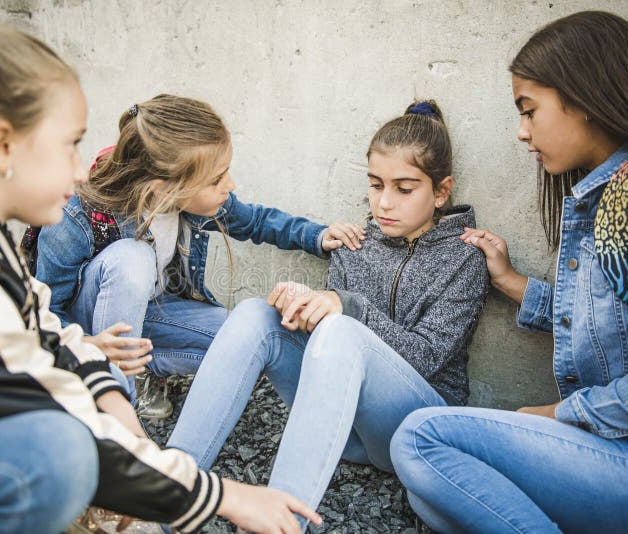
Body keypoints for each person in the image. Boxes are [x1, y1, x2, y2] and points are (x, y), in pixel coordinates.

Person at [0, 20, 321, 533]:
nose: (81, 168)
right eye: (70, 145)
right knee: (60, 454)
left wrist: (116, 409)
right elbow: (46, 384)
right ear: (2, 146)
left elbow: (47, 330)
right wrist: (222, 495)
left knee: (246, 329)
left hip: (140, 334)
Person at [390, 11, 628, 533]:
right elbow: (616, 324)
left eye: (529, 110)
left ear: (585, 98)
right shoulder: (611, 191)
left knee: (420, 439)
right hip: (624, 450)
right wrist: (512, 283)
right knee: (437, 499)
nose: (521, 133)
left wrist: (556, 415)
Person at [168, 99, 489, 529]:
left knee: (341, 331)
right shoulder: (356, 242)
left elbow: (429, 355)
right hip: (346, 431)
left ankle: (281, 524)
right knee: (253, 315)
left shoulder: (465, 257)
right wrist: (303, 306)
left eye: (404, 188)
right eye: (376, 185)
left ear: (441, 191)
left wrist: (345, 309)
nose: (384, 203)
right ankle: (169, 488)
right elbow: (331, 343)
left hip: (416, 429)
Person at [27, 94, 363, 407]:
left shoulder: (190, 200)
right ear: (163, 189)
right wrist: (91, 349)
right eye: (217, 179)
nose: (229, 185)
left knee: (251, 341)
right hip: (94, 331)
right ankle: (115, 401)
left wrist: (318, 236)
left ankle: (145, 368)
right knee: (132, 256)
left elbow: (255, 221)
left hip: (153, 312)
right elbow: (49, 314)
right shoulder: (75, 216)